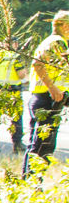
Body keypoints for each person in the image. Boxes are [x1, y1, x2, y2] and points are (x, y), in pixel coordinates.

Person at [31, 10, 69, 164]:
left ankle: (33, 176)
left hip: (48, 96)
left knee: (43, 145)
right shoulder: (57, 42)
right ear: (65, 26)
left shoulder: (54, 41)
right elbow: (37, 64)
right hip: (47, 98)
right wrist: (53, 88)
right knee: (42, 146)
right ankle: (32, 176)